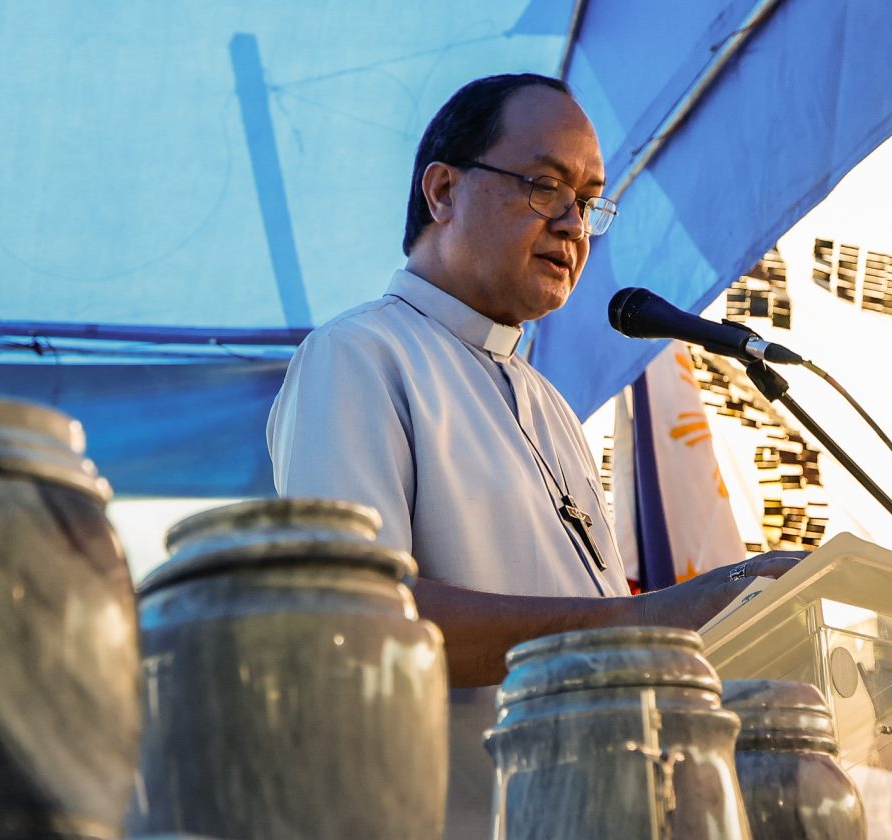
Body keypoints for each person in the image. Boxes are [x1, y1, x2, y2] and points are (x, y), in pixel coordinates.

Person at [266, 72, 800, 837]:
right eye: (546, 187)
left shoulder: (550, 408)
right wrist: (650, 620)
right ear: (443, 192)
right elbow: (354, 619)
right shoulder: (359, 355)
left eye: (589, 201)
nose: (574, 225)